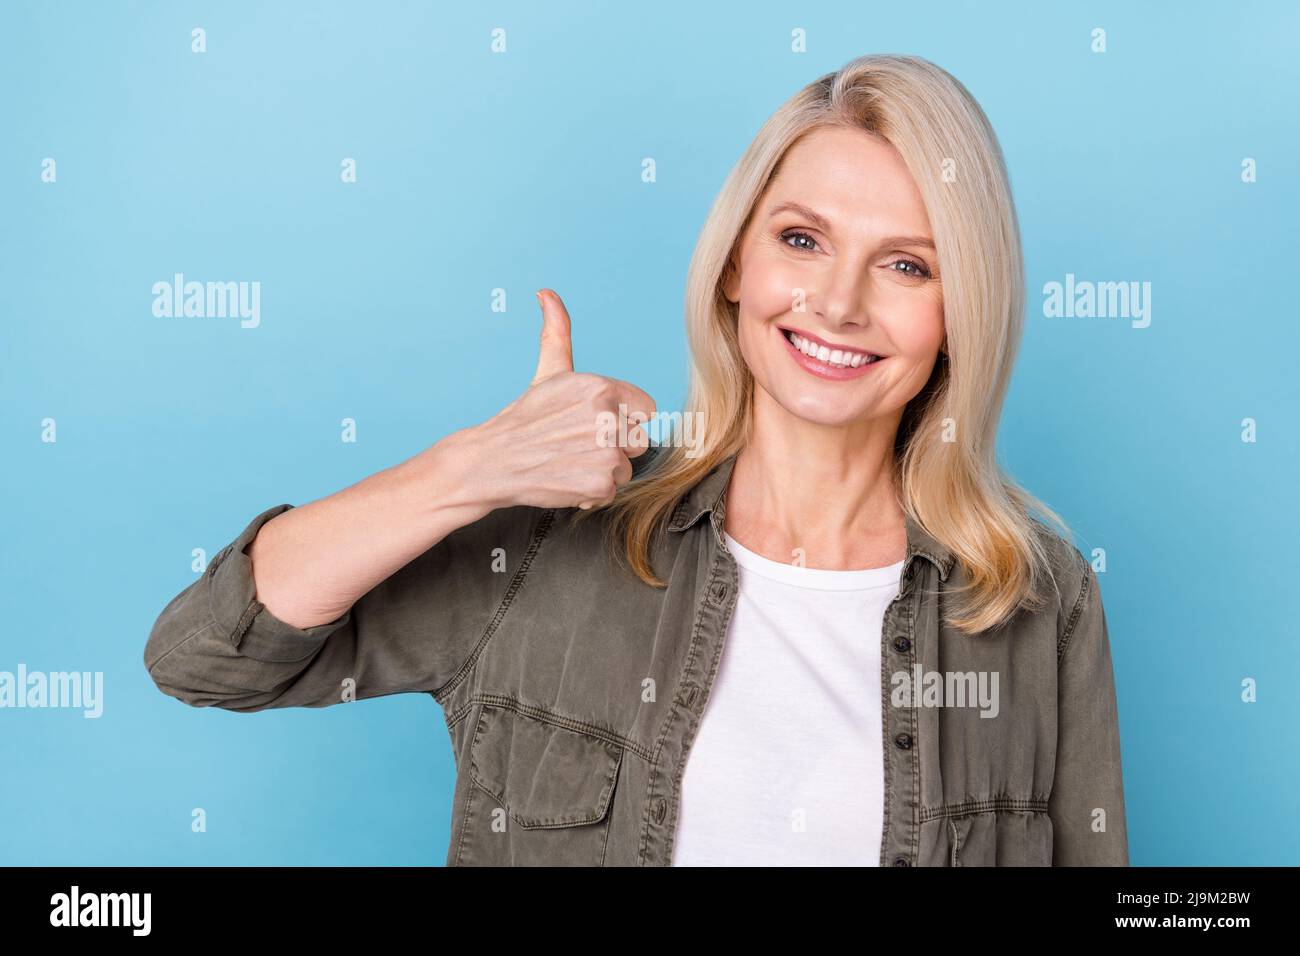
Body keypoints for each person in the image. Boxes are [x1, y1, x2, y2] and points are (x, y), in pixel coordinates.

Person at [144, 53, 1129, 867]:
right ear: (739, 262)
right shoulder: (548, 535)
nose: (837, 303)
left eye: (906, 264)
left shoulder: (1039, 602)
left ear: (961, 312)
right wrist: (474, 469)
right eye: (802, 239)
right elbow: (205, 655)